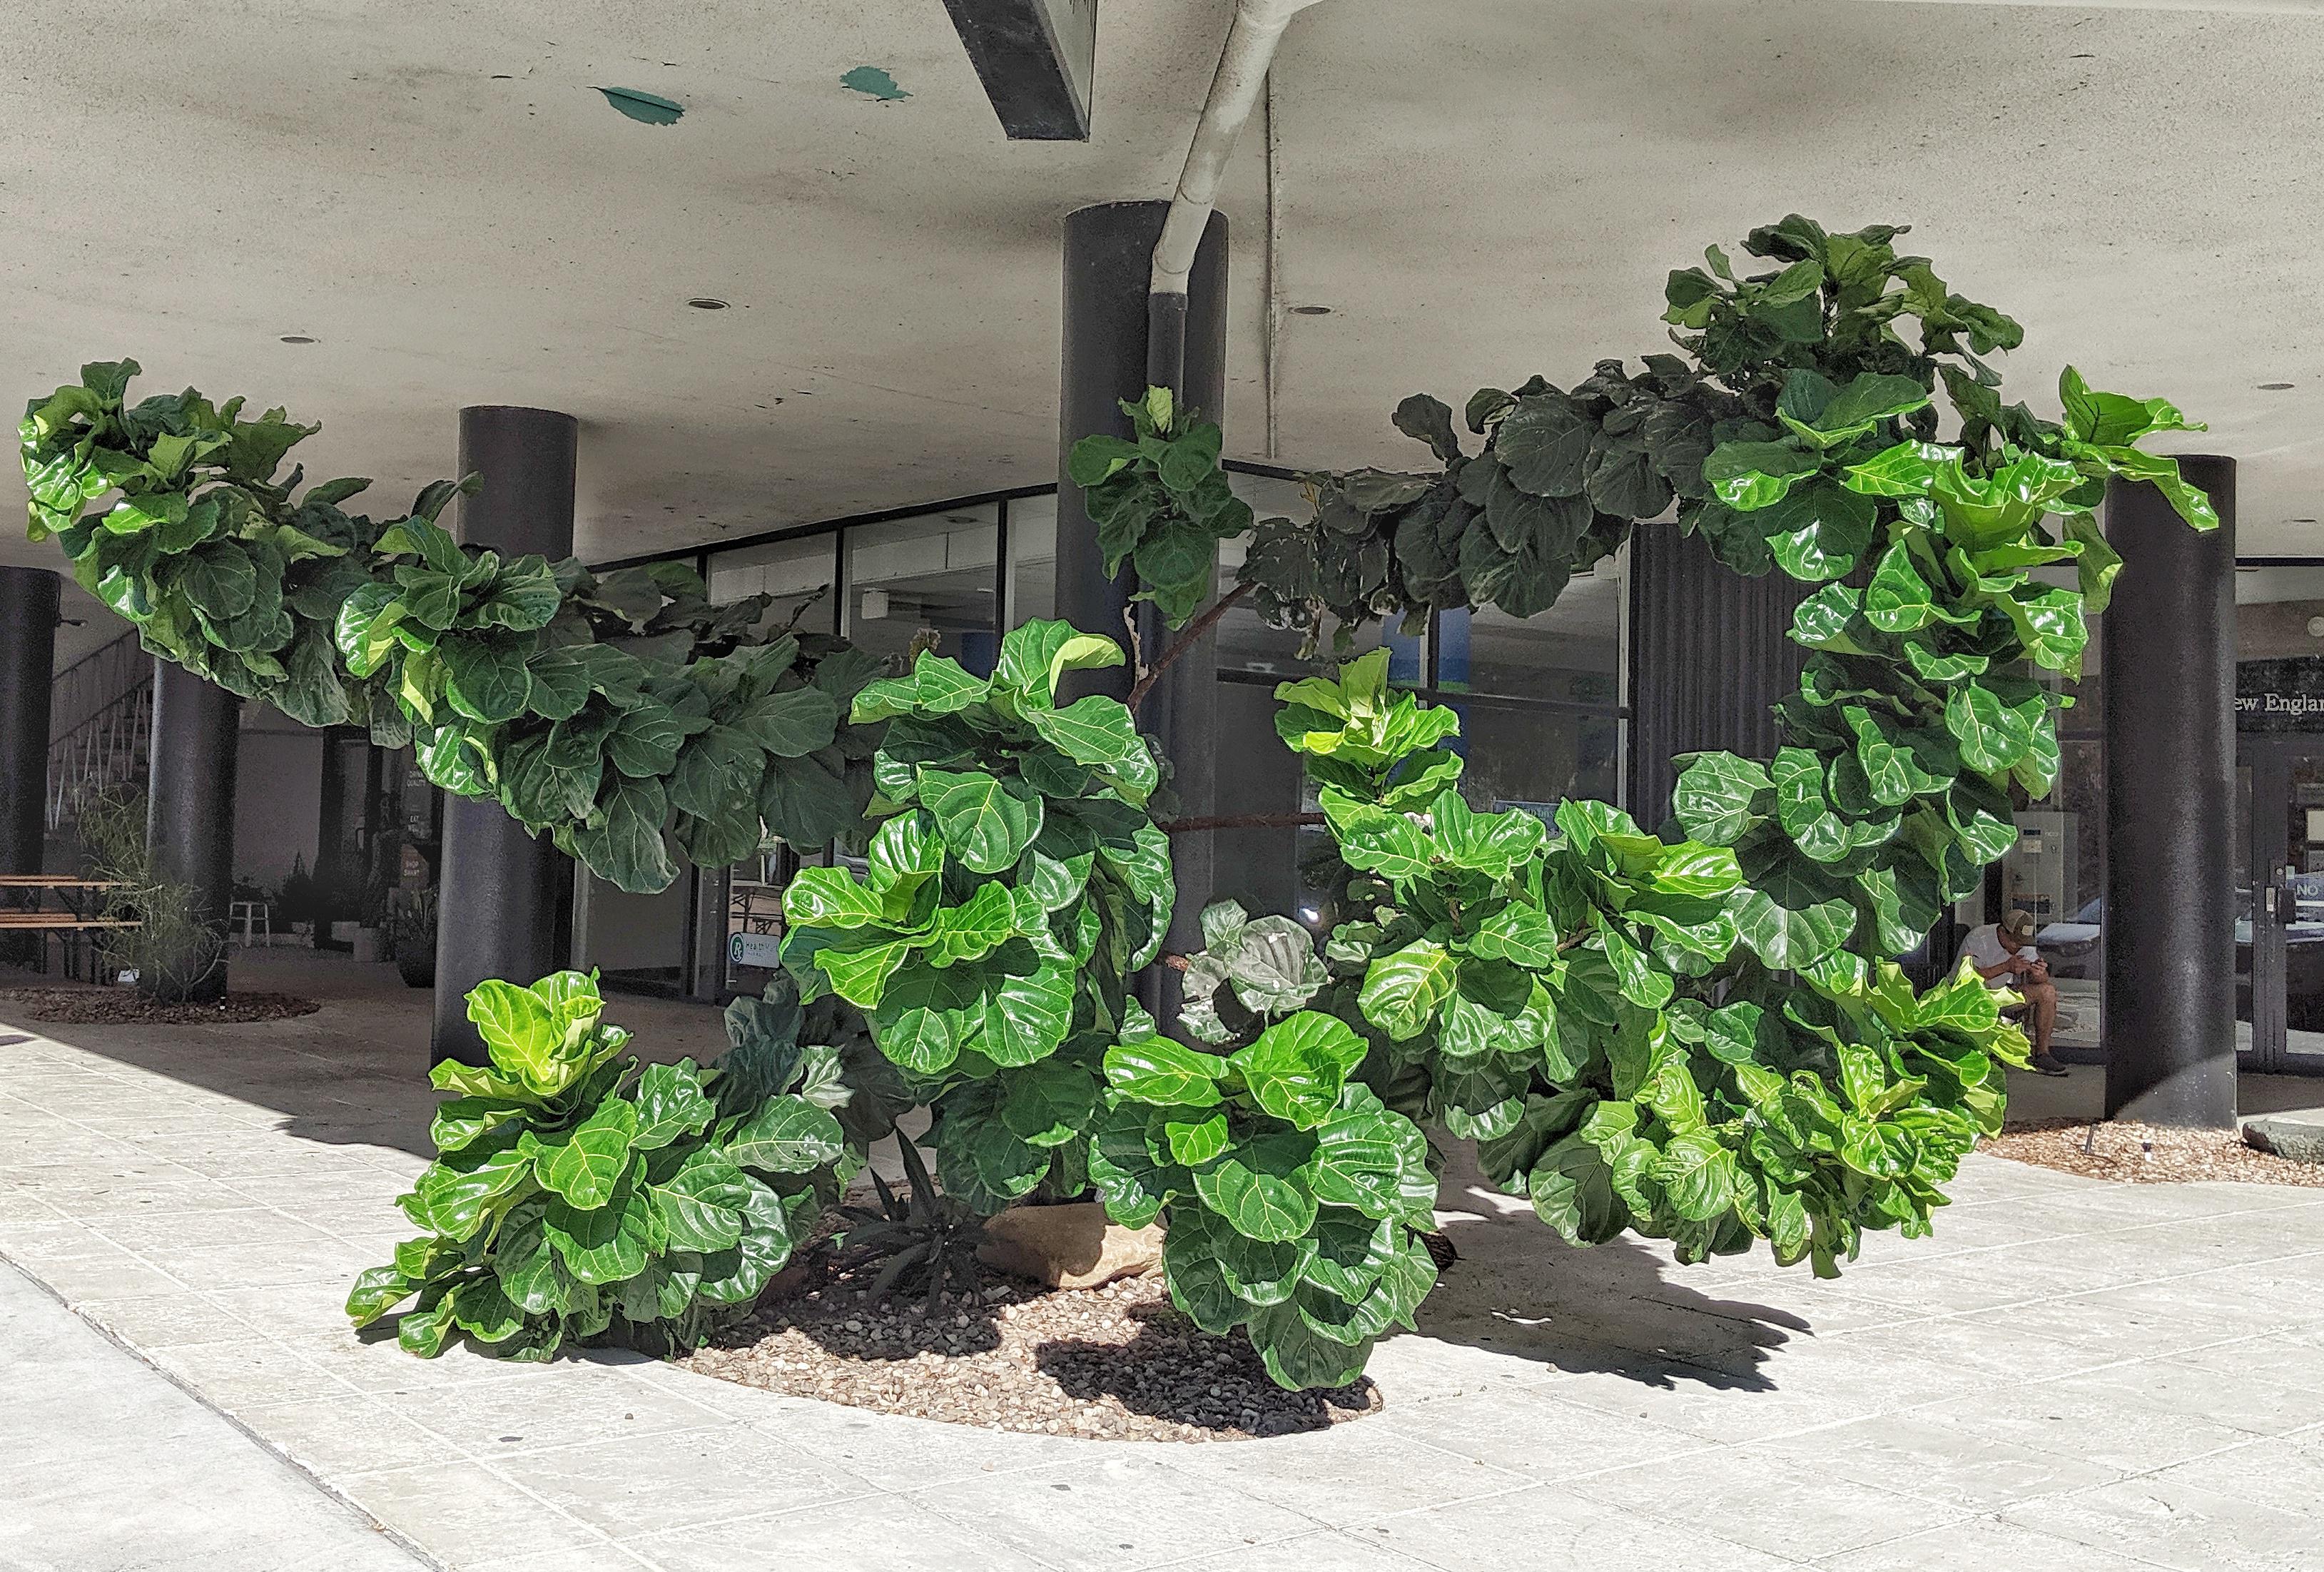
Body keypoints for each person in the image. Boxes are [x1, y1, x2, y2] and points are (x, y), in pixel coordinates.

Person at [1959, 908, 2070, 1076]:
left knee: (2047, 991)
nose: (2018, 947)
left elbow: (2041, 980)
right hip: (1971, 996)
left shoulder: (2024, 947)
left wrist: (2039, 973)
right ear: (2002, 931)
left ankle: (2042, 1054)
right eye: (2015, 942)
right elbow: (1969, 976)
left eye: (2022, 943)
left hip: (2003, 993)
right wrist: (2006, 967)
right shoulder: (1978, 938)